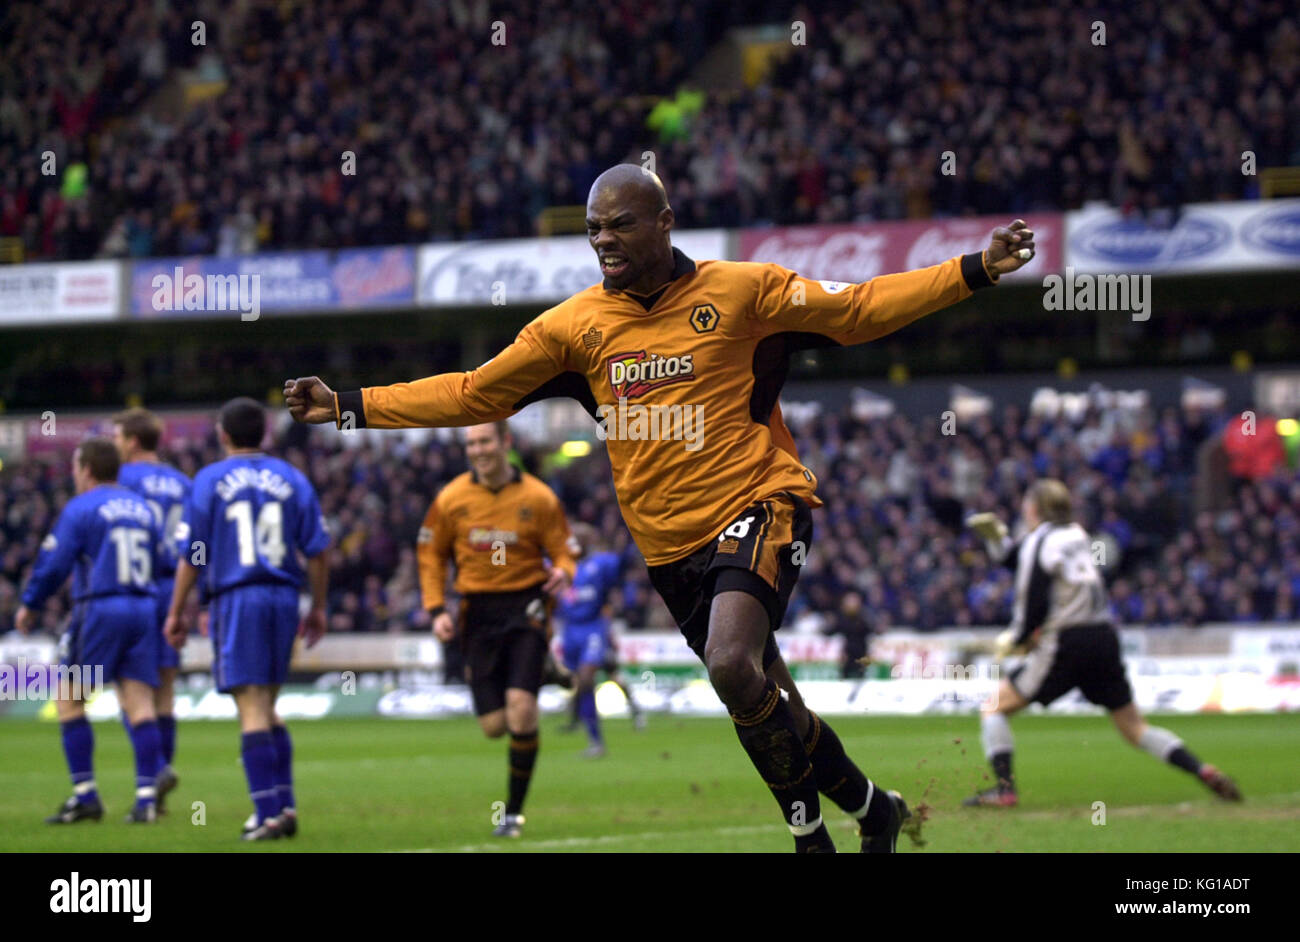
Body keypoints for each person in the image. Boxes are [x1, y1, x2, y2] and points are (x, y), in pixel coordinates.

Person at [286, 163, 1036, 852]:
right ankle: (875, 808)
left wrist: (972, 270)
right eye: (593, 229)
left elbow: (861, 307)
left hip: (760, 501)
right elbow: (475, 392)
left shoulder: (744, 291)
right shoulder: (571, 329)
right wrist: (349, 406)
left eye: (619, 224)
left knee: (731, 665)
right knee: (776, 704)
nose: (603, 240)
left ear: (665, 221)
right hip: (668, 549)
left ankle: (810, 839)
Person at [964, 479, 1242, 807]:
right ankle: (1203, 770)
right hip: (1103, 636)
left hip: (1067, 640)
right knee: (1134, 727)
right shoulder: (1078, 536)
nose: (1024, 510)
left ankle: (1005, 789)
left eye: (1027, 504)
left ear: (1035, 508)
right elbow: (1029, 560)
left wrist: (1018, 636)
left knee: (994, 707)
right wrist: (1000, 544)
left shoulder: (1039, 540)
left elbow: (1032, 590)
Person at [164, 398, 331, 840]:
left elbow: (192, 554)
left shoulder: (209, 480)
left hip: (238, 596)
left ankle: (267, 814)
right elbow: (317, 549)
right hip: (282, 597)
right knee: (268, 705)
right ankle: (286, 806)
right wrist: (317, 606)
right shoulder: (293, 478)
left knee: (252, 706)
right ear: (266, 435)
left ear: (222, 434)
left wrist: (178, 609)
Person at [417, 421, 575, 838]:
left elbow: (564, 548)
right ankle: (542, 670)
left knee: (522, 709)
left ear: (505, 443)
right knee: (494, 727)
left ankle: (512, 815)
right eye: (471, 443)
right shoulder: (451, 498)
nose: (478, 449)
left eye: (485, 440)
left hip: (526, 607)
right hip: (477, 613)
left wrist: (563, 570)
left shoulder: (538, 497)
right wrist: (436, 608)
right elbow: (430, 554)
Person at [16, 439, 165, 824]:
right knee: (139, 704)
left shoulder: (82, 507)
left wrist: (31, 604)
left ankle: (86, 797)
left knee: (68, 700)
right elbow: (163, 560)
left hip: (101, 608)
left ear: (86, 469)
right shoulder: (143, 509)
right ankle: (146, 801)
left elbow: (54, 564)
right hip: (143, 608)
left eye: (76, 466)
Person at [113, 407, 191, 811]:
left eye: (116, 437)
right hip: (173, 587)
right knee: (165, 693)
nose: (113, 445)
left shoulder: (119, 480)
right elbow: (196, 546)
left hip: (133, 589)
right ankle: (156, 795)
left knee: (131, 691)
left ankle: (155, 769)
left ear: (131, 441)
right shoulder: (182, 482)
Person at [556, 523, 640, 755]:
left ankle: (597, 741)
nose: (573, 541)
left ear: (588, 540)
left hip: (594, 628)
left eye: (579, 538)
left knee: (586, 678)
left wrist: (629, 541)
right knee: (579, 684)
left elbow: (623, 564)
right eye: (571, 537)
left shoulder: (601, 562)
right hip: (569, 631)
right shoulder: (562, 565)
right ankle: (588, 732)